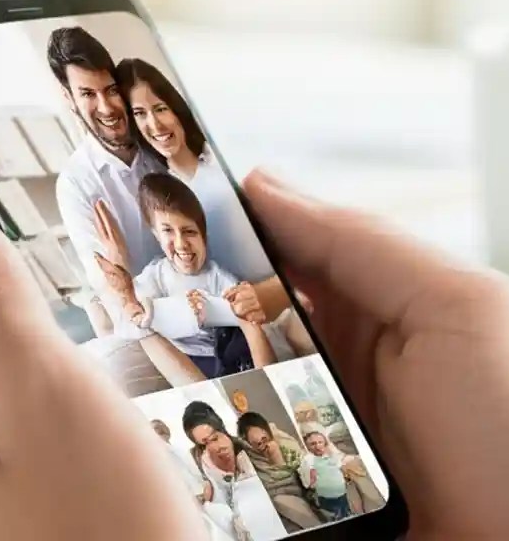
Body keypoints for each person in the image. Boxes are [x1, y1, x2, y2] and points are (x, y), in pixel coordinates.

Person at [0, 171, 509, 540]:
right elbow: (147, 332)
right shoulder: (148, 286)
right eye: (167, 235)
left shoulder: (222, 282)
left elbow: (252, 363)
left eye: (189, 233)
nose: (181, 245)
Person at [115, 58, 313, 361]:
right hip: (237, 323)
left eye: (160, 108)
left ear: (176, 107)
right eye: (140, 114)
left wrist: (277, 292)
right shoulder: (163, 198)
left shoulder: (225, 162)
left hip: (288, 297)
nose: (154, 125)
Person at [46, 27, 201, 384]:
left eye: (111, 90)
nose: (106, 108)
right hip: (146, 317)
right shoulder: (76, 183)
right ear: (68, 97)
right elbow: (113, 288)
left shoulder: (159, 142)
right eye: (87, 94)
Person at [92, 173, 273, 377]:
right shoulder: (155, 275)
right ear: (156, 234)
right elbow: (133, 319)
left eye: (189, 232)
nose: (180, 244)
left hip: (222, 356)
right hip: (185, 358)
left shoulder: (218, 277)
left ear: (204, 235)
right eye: (168, 231)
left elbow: (245, 319)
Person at [182, 402, 286, 541]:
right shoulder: (203, 463)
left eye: (214, 438)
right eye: (204, 444)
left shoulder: (247, 448)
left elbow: (279, 478)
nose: (215, 447)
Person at [236, 412, 322, 532]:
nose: (263, 445)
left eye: (264, 439)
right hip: (277, 500)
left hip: (301, 490)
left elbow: (303, 464)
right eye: (258, 444)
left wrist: (278, 458)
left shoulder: (284, 441)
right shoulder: (249, 457)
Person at [298, 424, 353, 520]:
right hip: (326, 496)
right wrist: (312, 480)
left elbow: (341, 467)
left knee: (346, 512)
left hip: (342, 493)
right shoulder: (308, 460)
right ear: (307, 446)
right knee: (334, 516)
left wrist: (347, 478)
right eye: (313, 444)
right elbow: (307, 482)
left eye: (320, 442)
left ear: (324, 443)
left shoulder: (332, 455)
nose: (317, 446)